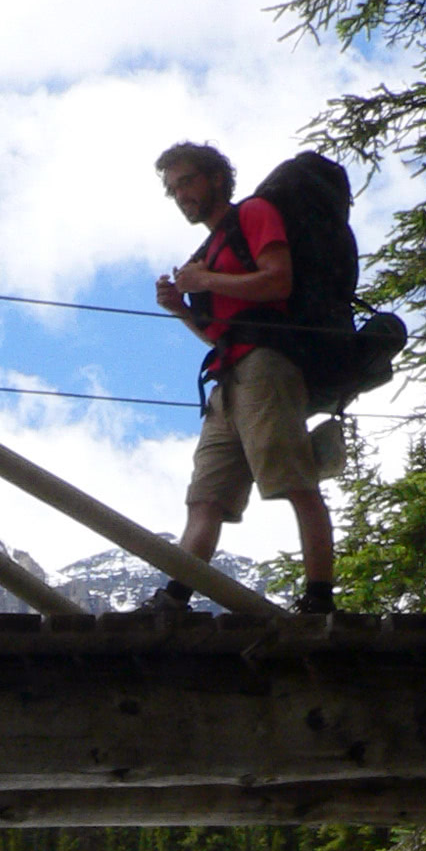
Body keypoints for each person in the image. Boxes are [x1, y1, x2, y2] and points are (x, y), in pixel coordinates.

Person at [150, 143, 336, 615]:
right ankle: (174, 600)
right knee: (206, 498)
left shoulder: (254, 213)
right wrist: (181, 309)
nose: (181, 195)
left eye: (186, 182)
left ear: (216, 178)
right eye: (173, 189)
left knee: (294, 481)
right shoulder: (209, 250)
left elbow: (278, 281)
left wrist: (206, 282)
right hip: (228, 377)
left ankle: (319, 600)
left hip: (267, 366)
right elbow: (219, 332)